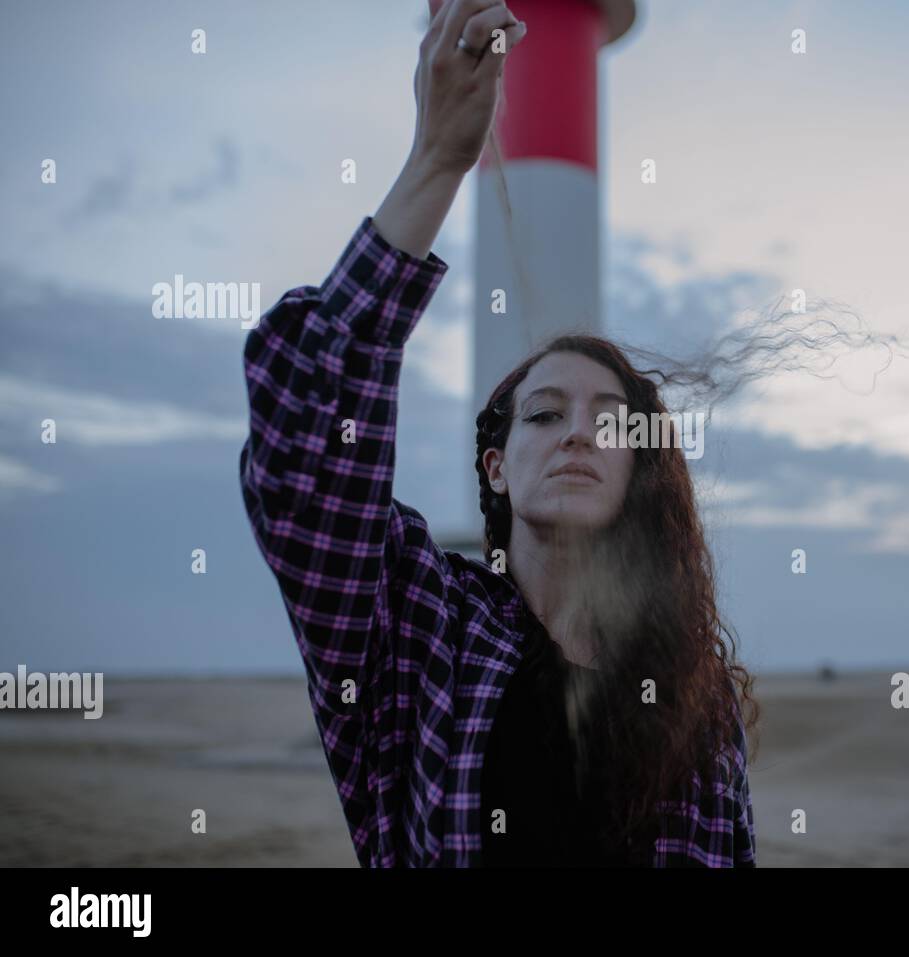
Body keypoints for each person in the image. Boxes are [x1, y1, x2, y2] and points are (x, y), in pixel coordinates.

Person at [238, 0, 757, 867]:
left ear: (643, 465)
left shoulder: (694, 697)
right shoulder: (417, 628)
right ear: (496, 464)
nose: (578, 434)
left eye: (610, 419)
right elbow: (300, 449)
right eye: (544, 412)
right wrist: (439, 157)